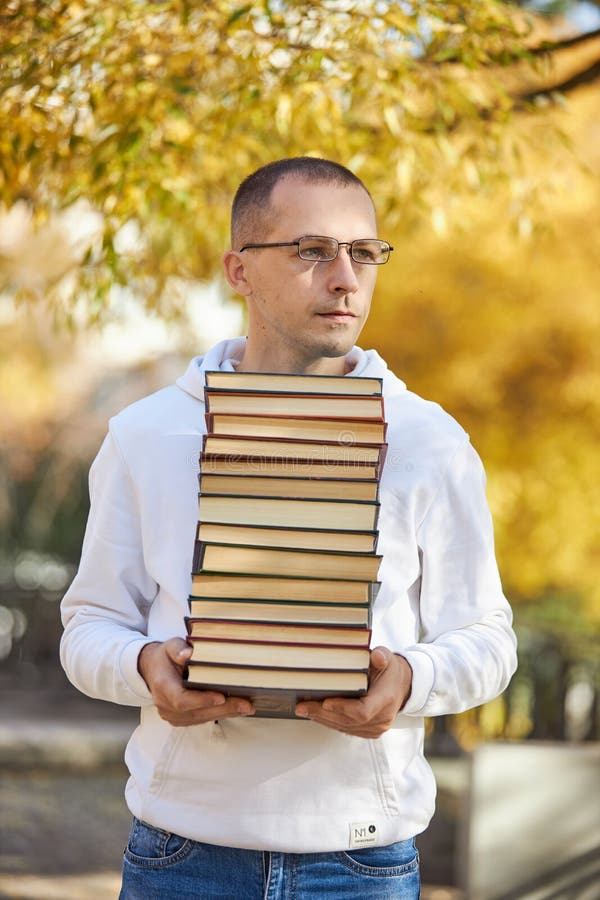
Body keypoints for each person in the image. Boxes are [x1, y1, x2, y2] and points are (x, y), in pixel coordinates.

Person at [60, 157, 517, 899]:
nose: (345, 278)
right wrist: (145, 665)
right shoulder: (146, 434)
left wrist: (408, 680)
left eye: (364, 253)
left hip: (362, 865)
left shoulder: (429, 441)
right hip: (183, 855)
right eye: (312, 250)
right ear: (239, 271)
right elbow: (89, 626)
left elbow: (489, 641)